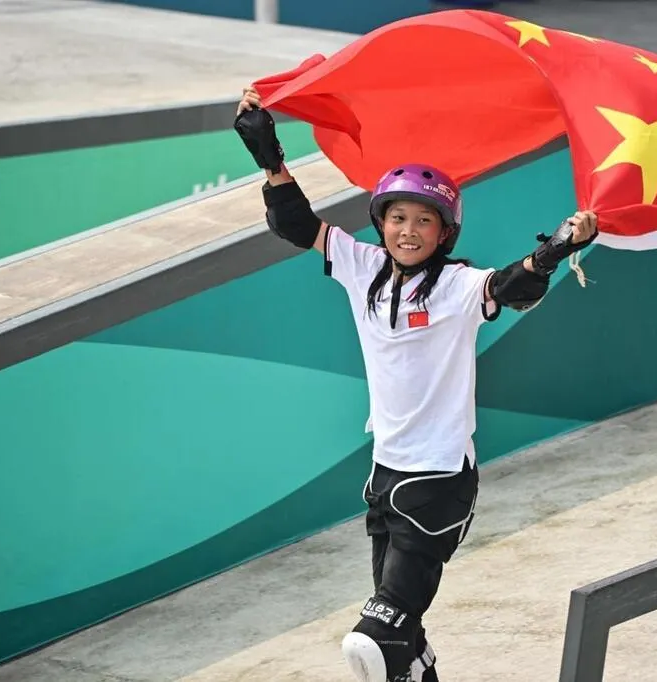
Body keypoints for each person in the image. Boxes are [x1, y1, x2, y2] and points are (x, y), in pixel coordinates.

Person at [234, 86, 597, 682]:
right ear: (381, 224)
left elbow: (510, 287)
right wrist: (269, 156)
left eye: (423, 221)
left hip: (438, 479)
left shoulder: (456, 286)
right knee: (403, 644)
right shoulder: (362, 266)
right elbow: (296, 224)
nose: (408, 231)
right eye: (397, 218)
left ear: (443, 233)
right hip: (384, 474)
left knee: (369, 643)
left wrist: (555, 251)